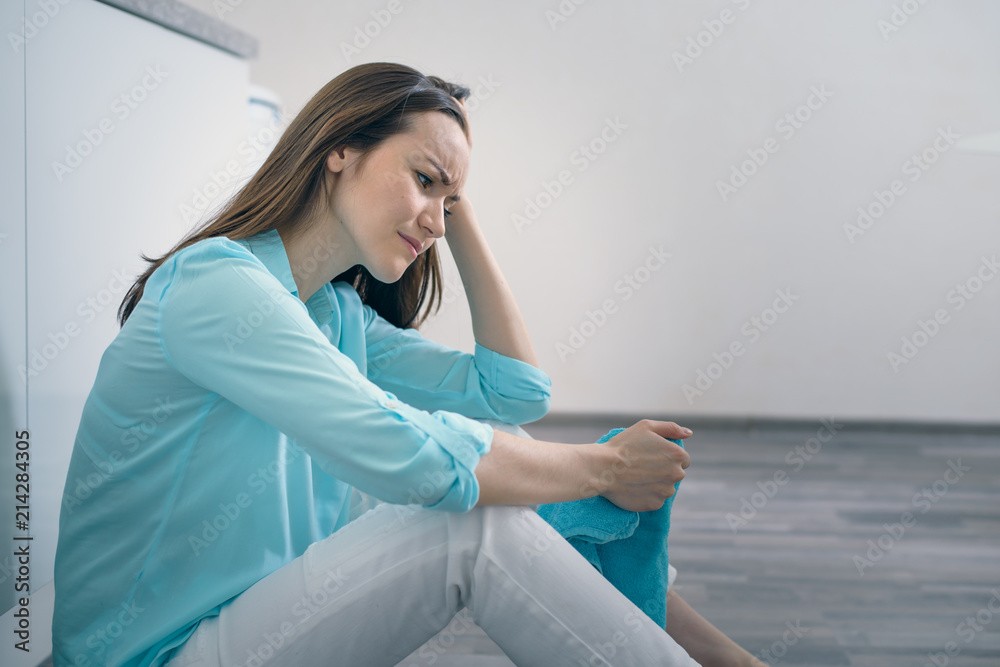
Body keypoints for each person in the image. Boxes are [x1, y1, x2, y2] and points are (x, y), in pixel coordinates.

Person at [52, 62, 766, 667]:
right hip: (154, 653)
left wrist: (451, 198)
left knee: (509, 489)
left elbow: (513, 389)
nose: (436, 218)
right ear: (340, 149)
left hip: (247, 627)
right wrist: (605, 467)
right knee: (469, 517)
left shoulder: (331, 316)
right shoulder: (217, 287)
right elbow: (410, 456)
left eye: (450, 202)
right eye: (423, 180)